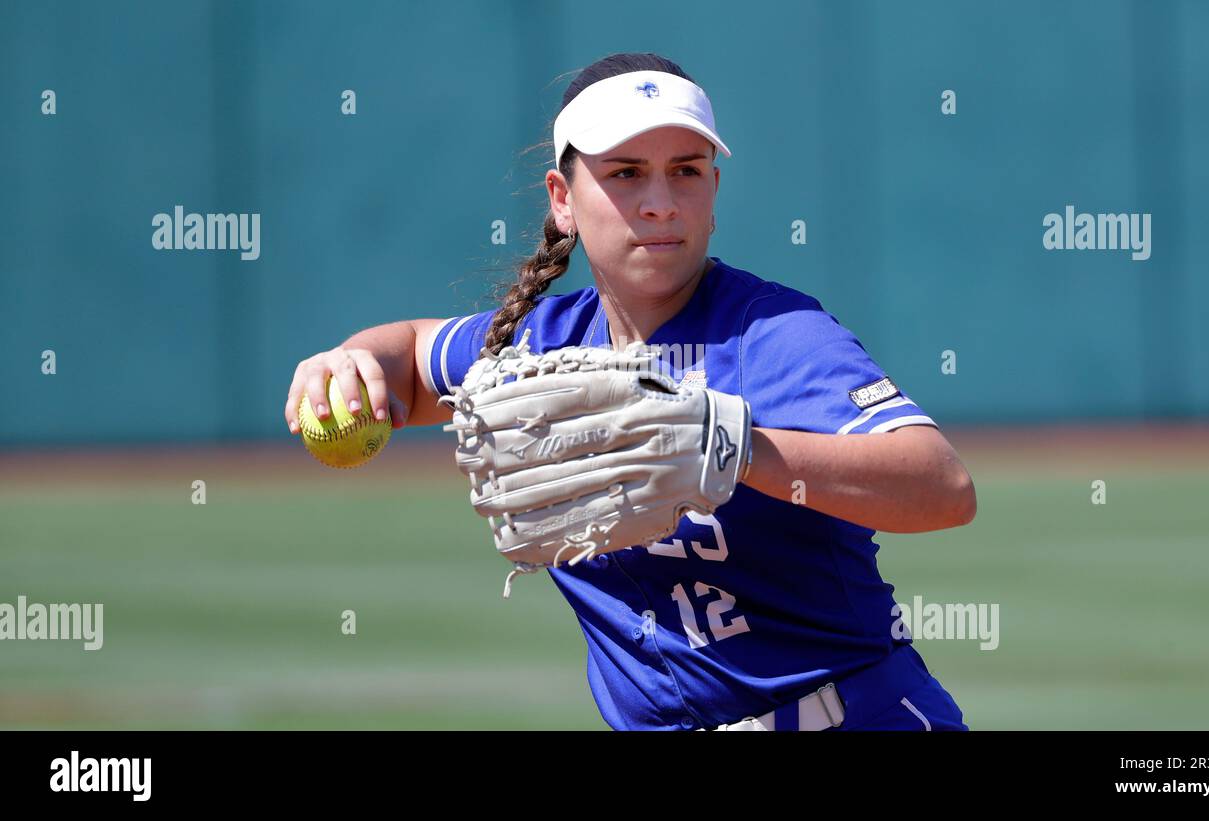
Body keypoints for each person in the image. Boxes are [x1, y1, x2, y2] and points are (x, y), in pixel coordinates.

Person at [284, 52, 976, 731]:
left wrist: (730, 446)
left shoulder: (771, 333)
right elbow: (405, 355)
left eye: (686, 171)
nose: (660, 204)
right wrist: (346, 361)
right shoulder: (539, 347)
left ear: (713, 189)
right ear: (563, 200)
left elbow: (943, 487)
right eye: (625, 173)